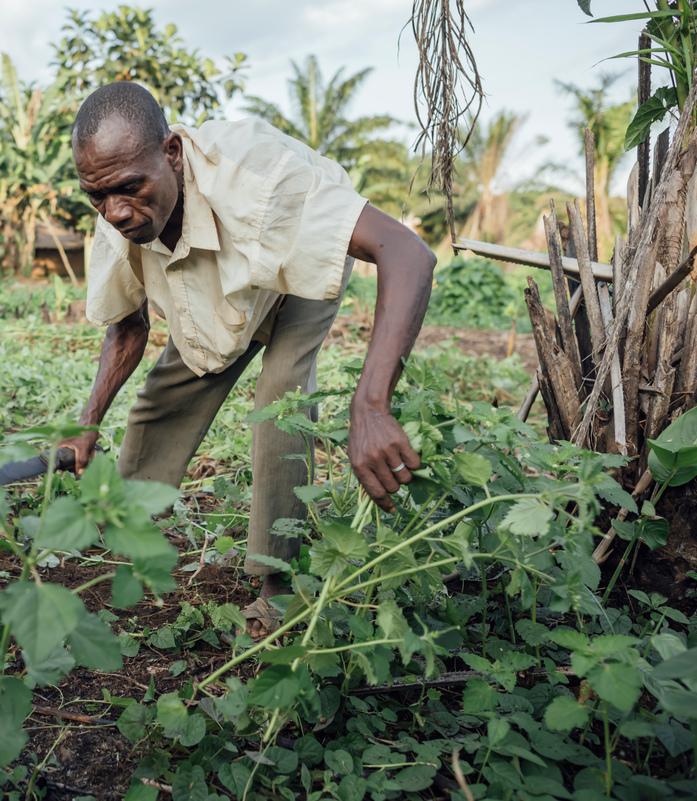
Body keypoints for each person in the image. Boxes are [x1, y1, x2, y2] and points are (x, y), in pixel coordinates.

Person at [58, 82, 436, 637]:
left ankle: (278, 586)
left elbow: (408, 251)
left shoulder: (263, 183)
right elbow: (127, 326)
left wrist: (371, 404)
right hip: (223, 275)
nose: (114, 211)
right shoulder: (120, 214)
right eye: (97, 196)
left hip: (293, 262)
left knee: (281, 396)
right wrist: (84, 425)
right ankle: (128, 535)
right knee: (171, 388)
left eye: (129, 188)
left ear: (172, 153)